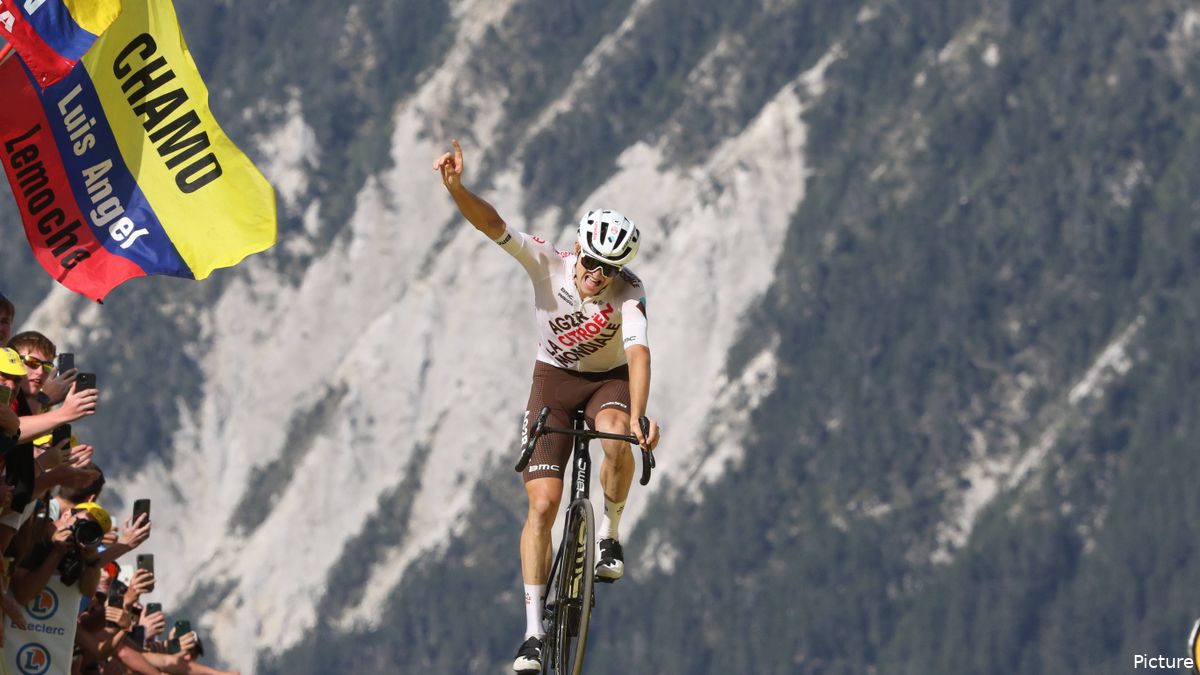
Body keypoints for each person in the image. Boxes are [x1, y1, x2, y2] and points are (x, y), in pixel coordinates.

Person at [435, 139, 661, 673]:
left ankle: (609, 535)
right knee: (542, 505)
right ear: (577, 249)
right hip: (553, 383)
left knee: (615, 435)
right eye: (592, 262)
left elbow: (638, 353)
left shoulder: (629, 293)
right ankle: (533, 634)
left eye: (609, 269)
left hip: (607, 381)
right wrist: (458, 189)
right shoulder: (549, 264)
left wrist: (639, 416)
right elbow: (494, 225)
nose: (596, 275)